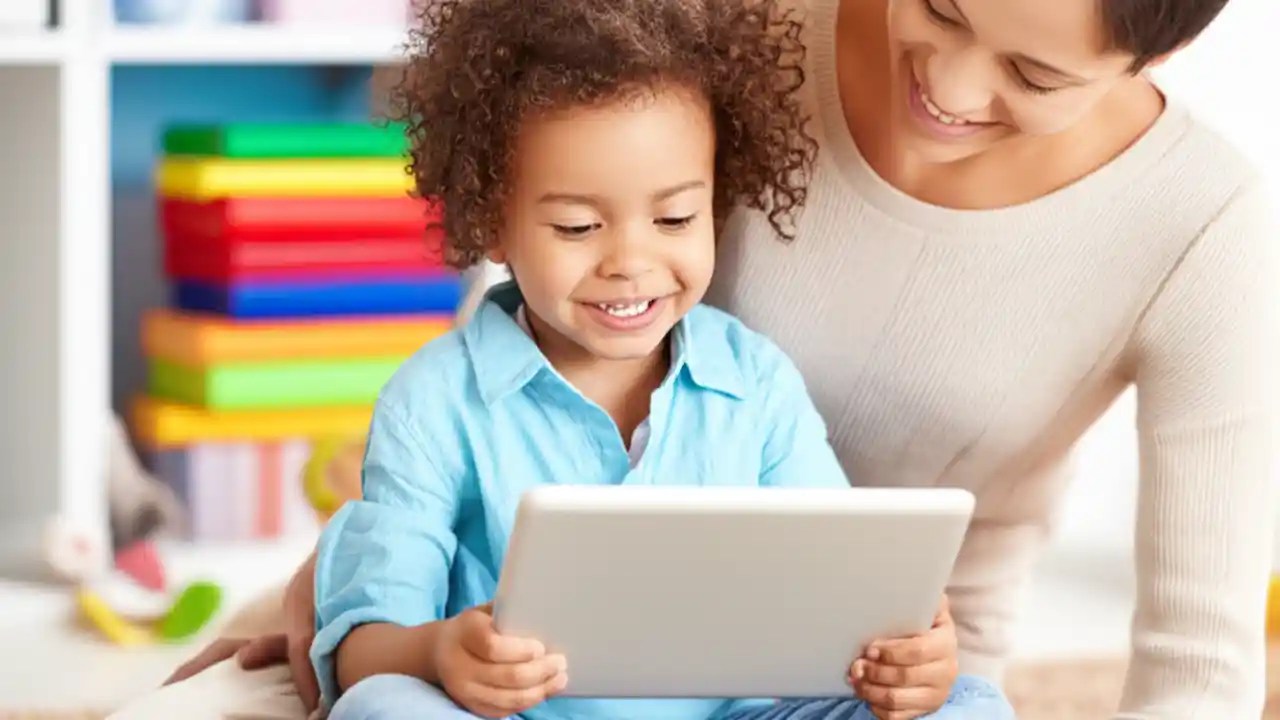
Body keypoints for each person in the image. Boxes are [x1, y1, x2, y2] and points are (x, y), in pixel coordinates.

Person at [118, 0, 1279, 717]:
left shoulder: (1204, 224)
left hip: (812, 660)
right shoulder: (728, 38)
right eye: (937, 4)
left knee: (970, 704)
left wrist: (915, 653)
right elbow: (519, 302)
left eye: (1033, 76)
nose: (953, 85)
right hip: (495, 650)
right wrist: (385, 628)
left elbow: (1195, 667)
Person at [310, 0, 1012, 718]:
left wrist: (911, 653)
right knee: (383, 708)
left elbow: (848, 601)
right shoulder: (433, 399)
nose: (632, 263)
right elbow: (360, 648)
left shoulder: (756, 381)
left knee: (970, 705)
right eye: (578, 226)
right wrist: (436, 651)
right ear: (492, 222)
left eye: (675, 218)